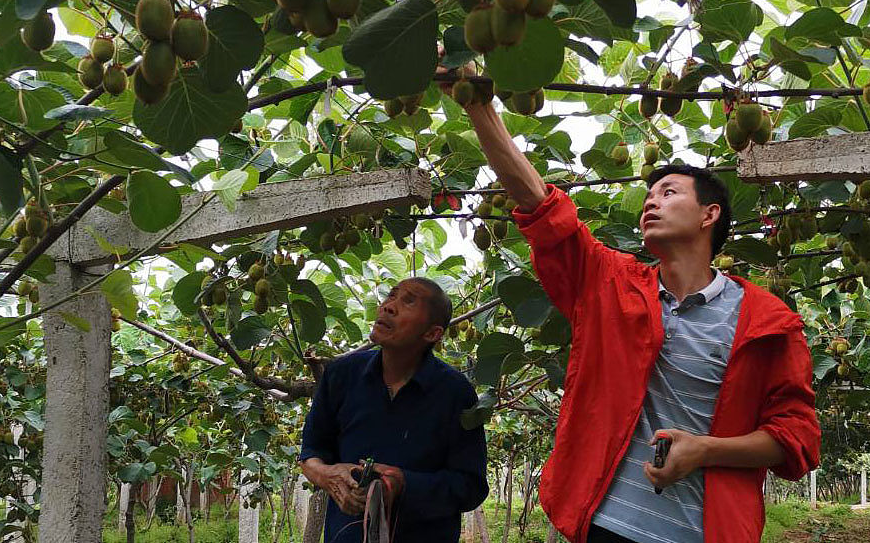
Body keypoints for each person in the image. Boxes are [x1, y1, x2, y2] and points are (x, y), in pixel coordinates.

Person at [452, 77, 821, 543]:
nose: (651, 202)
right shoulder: (611, 284)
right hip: (601, 525)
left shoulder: (766, 320)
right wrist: (479, 106)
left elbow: (798, 438)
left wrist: (705, 451)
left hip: (703, 532)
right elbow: (542, 207)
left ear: (709, 216)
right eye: (648, 197)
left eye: (669, 192)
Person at [298, 276, 488, 542]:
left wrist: (404, 485)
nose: (388, 306)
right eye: (391, 296)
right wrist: (327, 475)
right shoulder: (341, 375)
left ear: (432, 333)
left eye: (408, 302)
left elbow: (471, 486)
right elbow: (311, 452)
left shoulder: (455, 394)